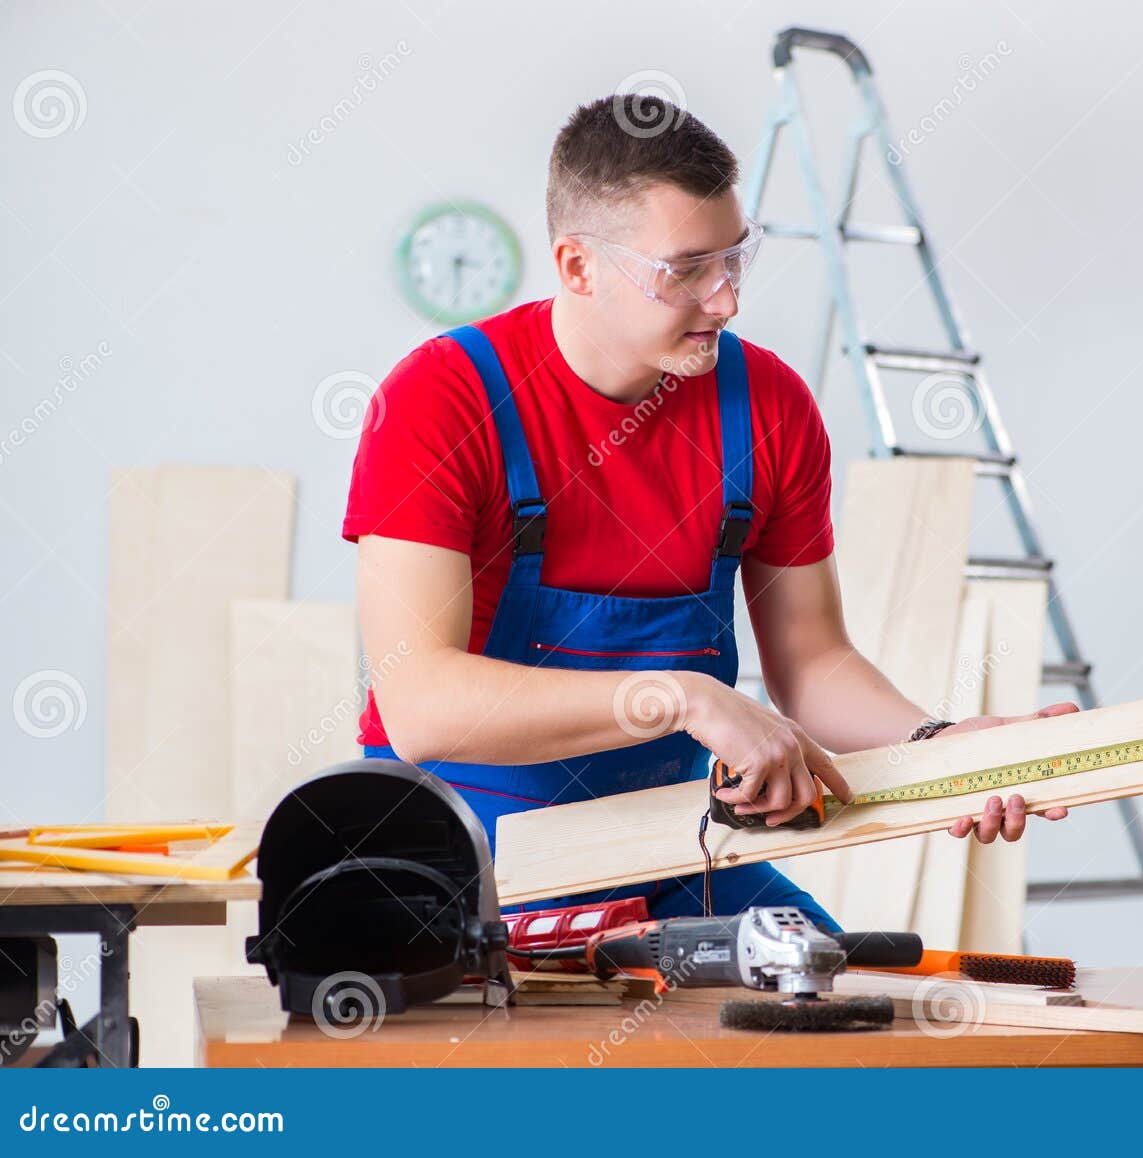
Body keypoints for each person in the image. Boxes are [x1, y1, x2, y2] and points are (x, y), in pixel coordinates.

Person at [343, 95, 1073, 930]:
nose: (726, 301)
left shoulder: (768, 407)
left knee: (834, 1008)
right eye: (686, 270)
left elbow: (810, 663)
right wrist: (684, 699)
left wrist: (934, 743)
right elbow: (421, 705)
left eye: (734, 260)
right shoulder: (442, 400)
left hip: (664, 850)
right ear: (577, 266)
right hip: (461, 857)